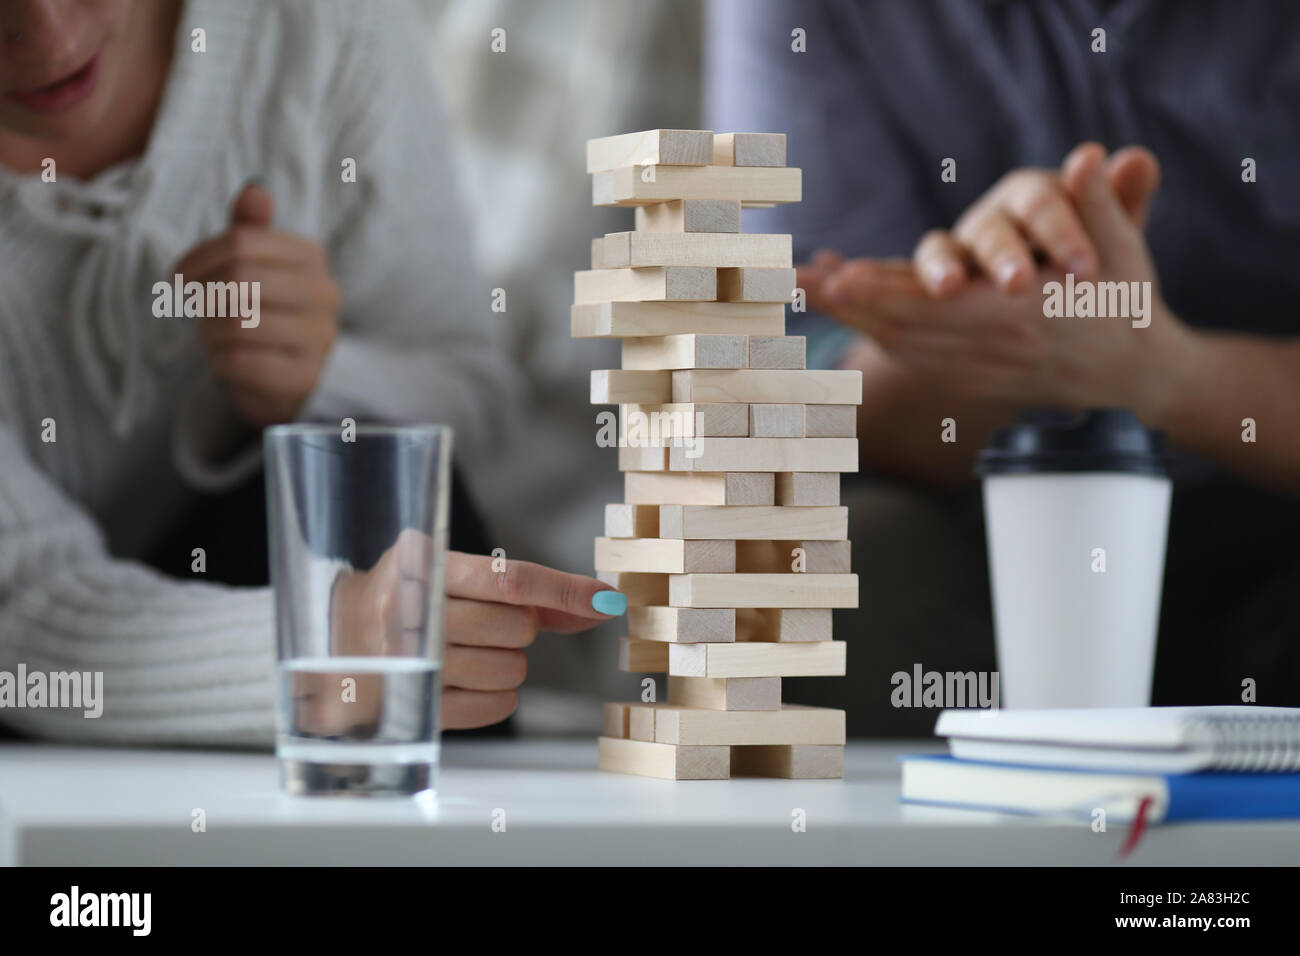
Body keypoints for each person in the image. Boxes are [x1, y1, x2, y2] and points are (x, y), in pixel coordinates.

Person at [0, 0, 625, 744]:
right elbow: (23, 604)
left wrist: (320, 380)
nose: (51, 39)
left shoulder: (323, 31)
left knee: (399, 498)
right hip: (68, 664)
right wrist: (328, 646)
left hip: (251, 604)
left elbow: (474, 397)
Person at [709, 0, 1300, 731]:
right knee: (773, 580)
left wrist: (1166, 374)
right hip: (983, 541)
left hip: (1275, 528)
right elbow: (783, 405)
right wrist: (986, 333)